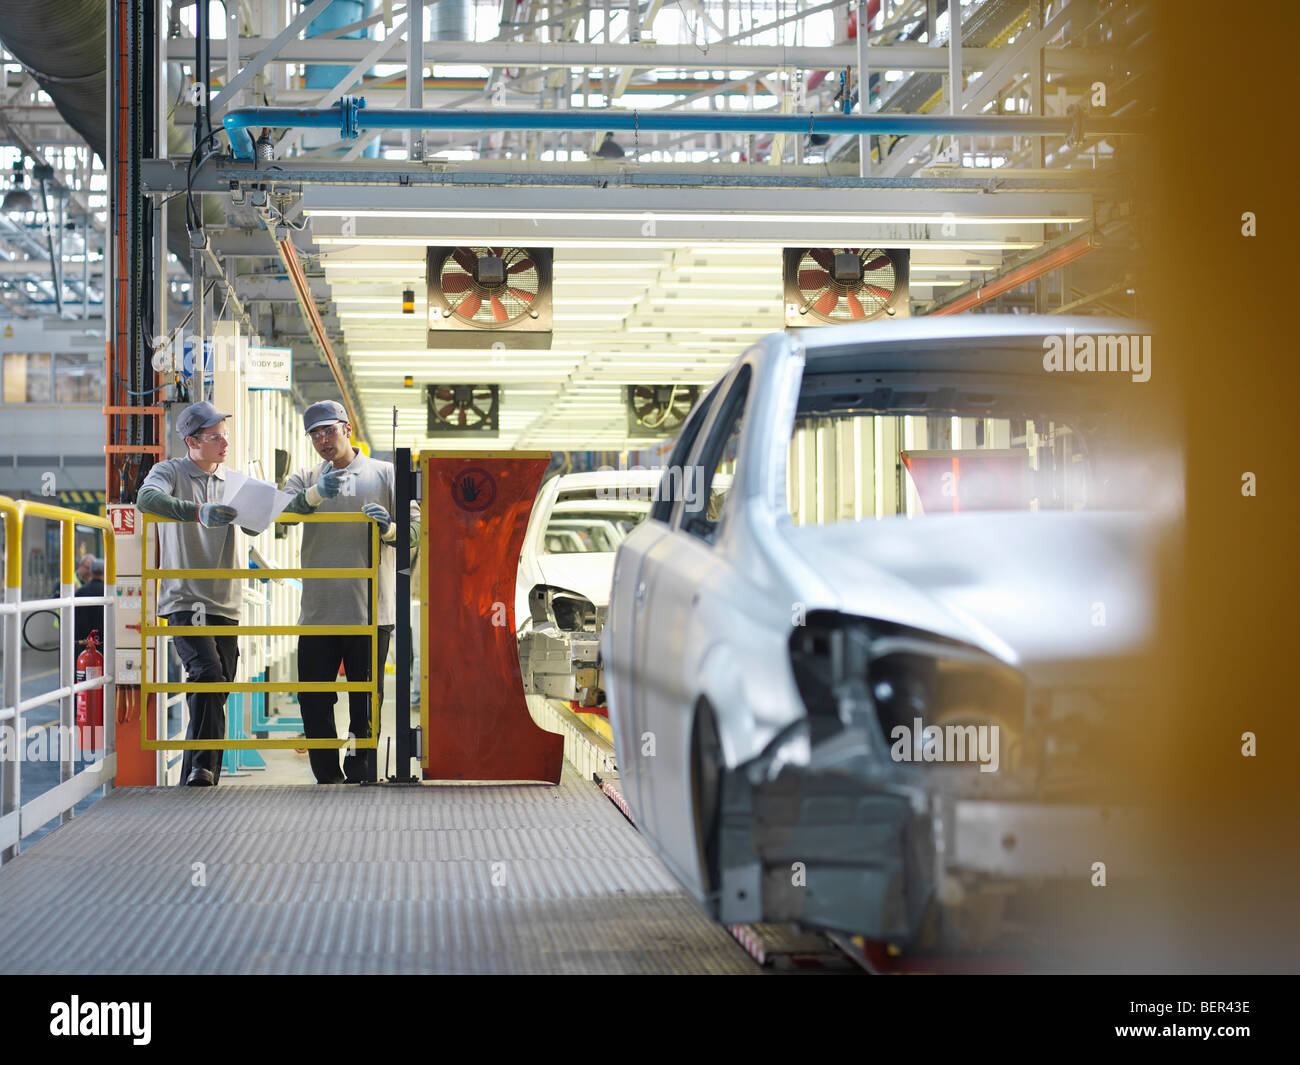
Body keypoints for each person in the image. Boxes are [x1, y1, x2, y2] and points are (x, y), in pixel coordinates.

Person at [283, 400, 420, 784]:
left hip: (371, 611)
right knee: (313, 700)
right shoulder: (306, 477)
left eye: (329, 430)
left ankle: (361, 771)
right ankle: (327, 775)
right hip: (318, 612)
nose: (323, 440)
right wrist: (313, 496)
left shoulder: (387, 474)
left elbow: (415, 531)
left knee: (365, 702)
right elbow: (279, 513)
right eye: (315, 434)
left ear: (347, 427)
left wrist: (390, 530)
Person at [136, 401, 243, 787]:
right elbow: (146, 500)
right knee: (207, 674)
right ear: (192, 441)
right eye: (215, 437)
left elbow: (254, 527)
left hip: (226, 599)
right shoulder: (169, 471)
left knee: (216, 686)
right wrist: (197, 512)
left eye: (224, 434)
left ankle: (196, 773)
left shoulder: (233, 482)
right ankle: (204, 769)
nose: (224, 442)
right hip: (185, 599)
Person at [74, 556, 105, 647]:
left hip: (83, 642)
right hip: (102, 642)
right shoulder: (108, 593)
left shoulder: (80, 592)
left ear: (91, 572)